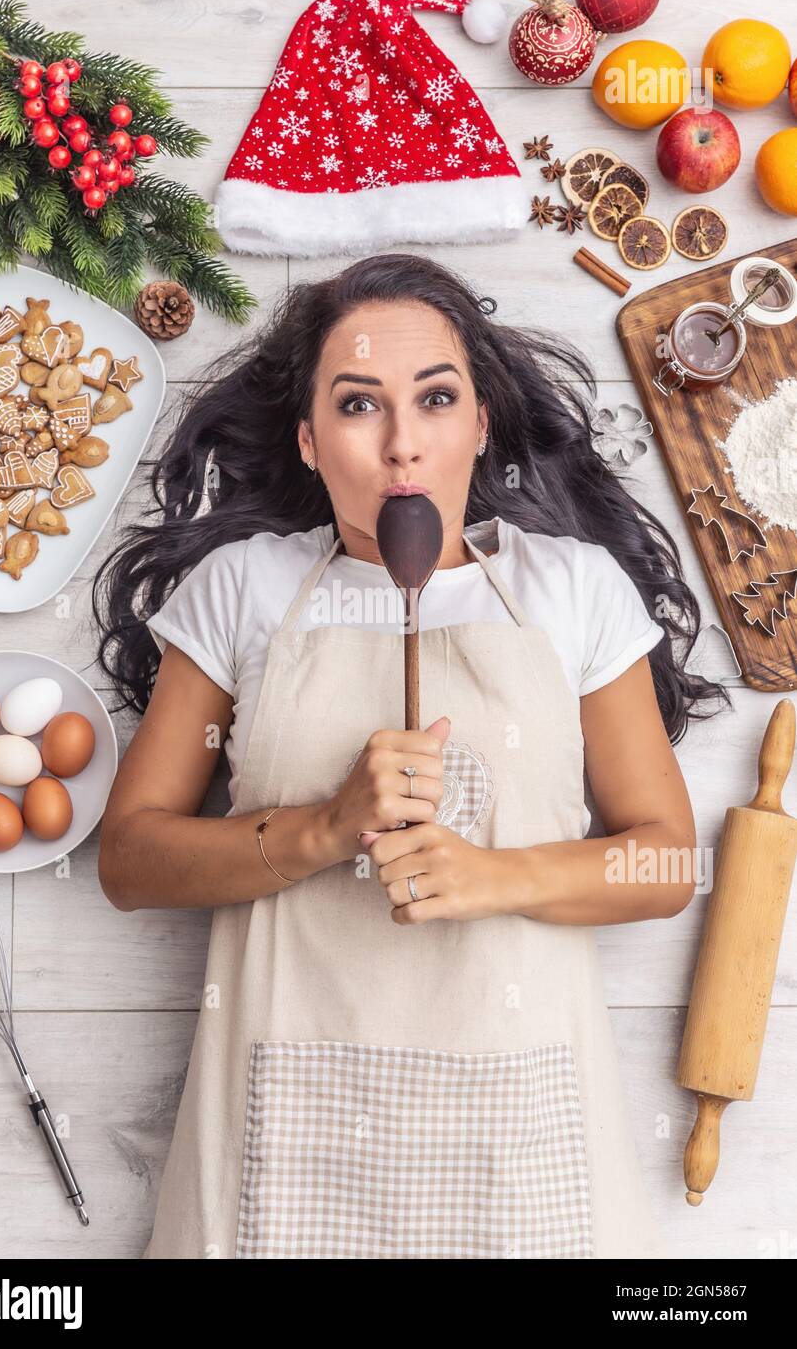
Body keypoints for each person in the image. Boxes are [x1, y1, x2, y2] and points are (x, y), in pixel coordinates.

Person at [94, 253, 729, 1260]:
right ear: (307, 440)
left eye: (434, 398)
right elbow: (128, 860)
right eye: (357, 405)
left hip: (517, 1132)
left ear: (478, 424)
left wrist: (492, 875)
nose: (400, 445)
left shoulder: (571, 588)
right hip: (287, 1122)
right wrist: (317, 828)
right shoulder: (242, 588)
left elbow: (660, 863)